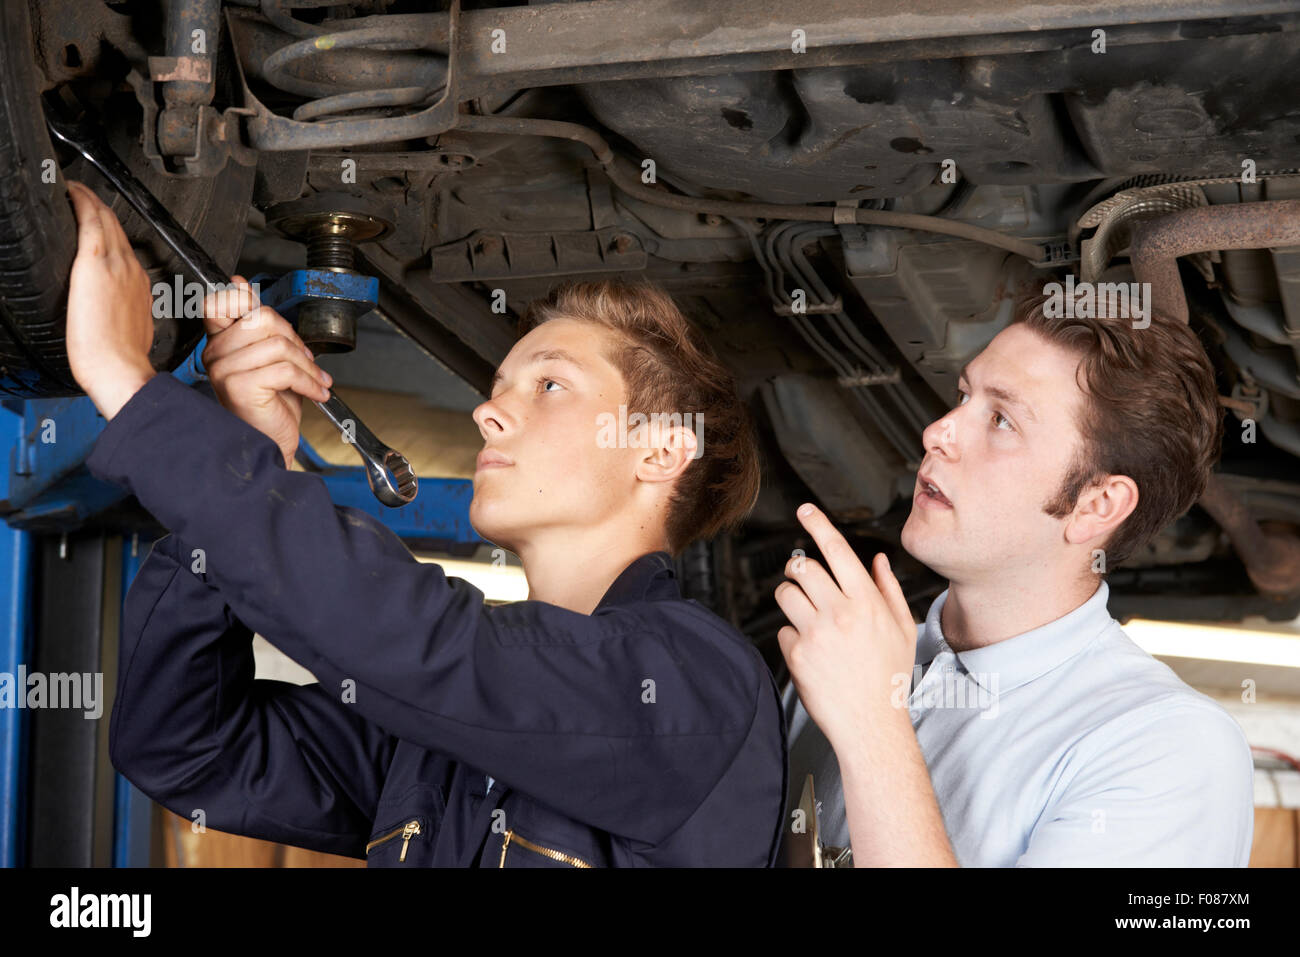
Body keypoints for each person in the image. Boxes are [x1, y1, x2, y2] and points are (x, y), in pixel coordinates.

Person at [63, 179, 785, 867]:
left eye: (551, 384)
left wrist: (133, 389)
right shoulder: (436, 737)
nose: (487, 410)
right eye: (498, 387)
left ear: (659, 449)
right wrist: (258, 451)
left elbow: (426, 643)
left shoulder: (696, 683)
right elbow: (187, 746)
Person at [774, 289, 1256, 867]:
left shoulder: (1170, 749)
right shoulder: (853, 654)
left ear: (1096, 505)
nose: (938, 432)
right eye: (963, 396)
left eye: (1000, 419)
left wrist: (874, 728)